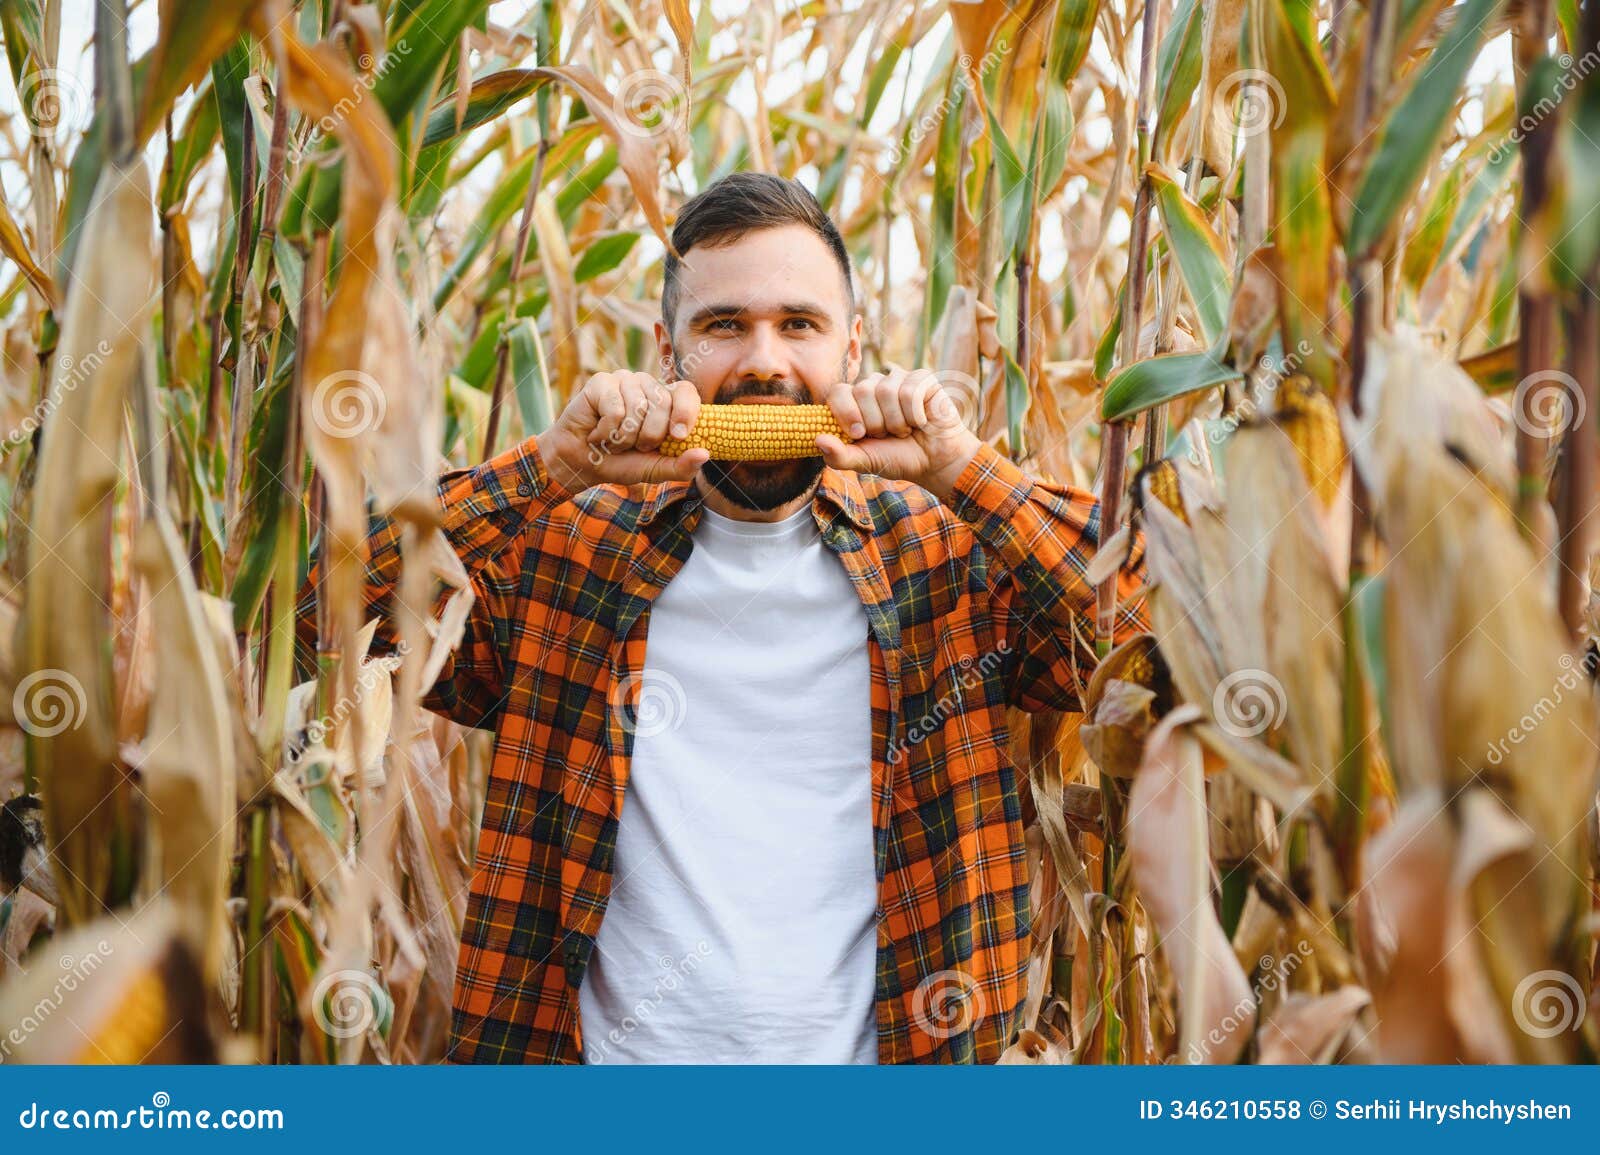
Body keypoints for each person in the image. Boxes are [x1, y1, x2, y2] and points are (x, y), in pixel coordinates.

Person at [298, 172, 1146, 1064]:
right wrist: (551, 464)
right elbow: (321, 611)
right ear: (669, 349)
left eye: (800, 324)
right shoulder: (565, 554)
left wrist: (966, 471)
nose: (765, 363)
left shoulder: (949, 556)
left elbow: (1165, 646)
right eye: (724, 326)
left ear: (852, 350)